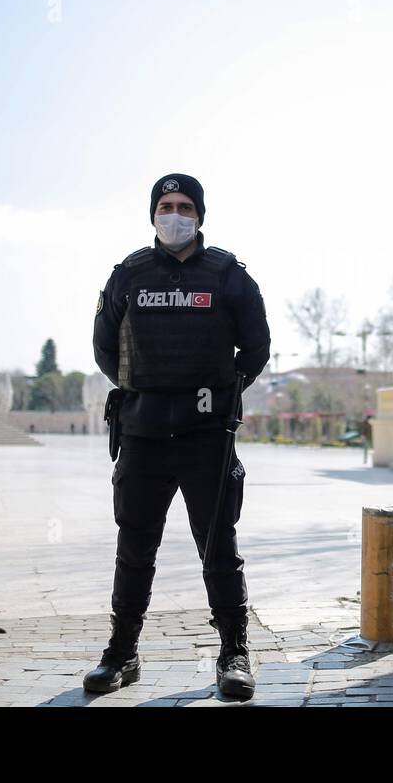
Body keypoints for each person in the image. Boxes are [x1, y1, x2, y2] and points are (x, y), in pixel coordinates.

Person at [86, 173, 271, 699]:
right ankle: (121, 654)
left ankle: (234, 653)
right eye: (166, 206)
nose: (175, 214)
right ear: (152, 214)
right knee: (134, 548)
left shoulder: (228, 275)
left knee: (219, 549)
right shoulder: (129, 274)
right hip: (142, 433)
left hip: (205, 437)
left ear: (200, 216)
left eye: (185, 206)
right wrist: (142, 389)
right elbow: (103, 348)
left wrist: (222, 393)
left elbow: (256, 348)